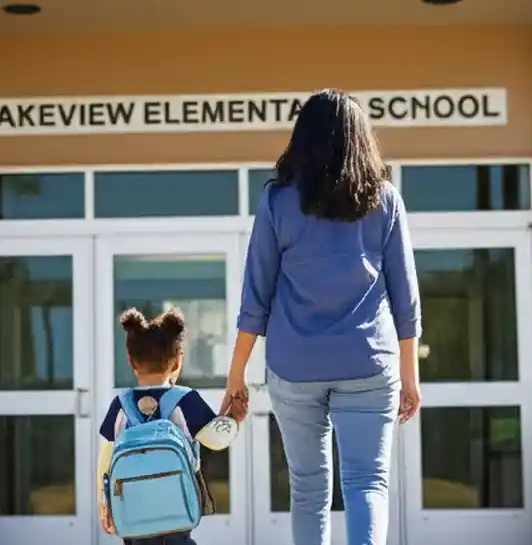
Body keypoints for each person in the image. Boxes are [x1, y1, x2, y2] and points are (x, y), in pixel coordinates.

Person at [224, 89, 422, 545]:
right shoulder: (385, 201)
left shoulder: (277, 202)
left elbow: (257, 295)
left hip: (295, 367)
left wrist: (236, 375)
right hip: (368, 364)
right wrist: (410, 375)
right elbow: (405, 296)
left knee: (309, 490)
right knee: (367, 484)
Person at [98, 308, 247, 545]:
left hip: (133, 511)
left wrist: (105, 503)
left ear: (130, 360)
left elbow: (106, 459)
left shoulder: (120, 405)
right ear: (178, 360)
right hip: (176, 507)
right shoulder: (185, 400)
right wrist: (234, 419)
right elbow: (216, 440)